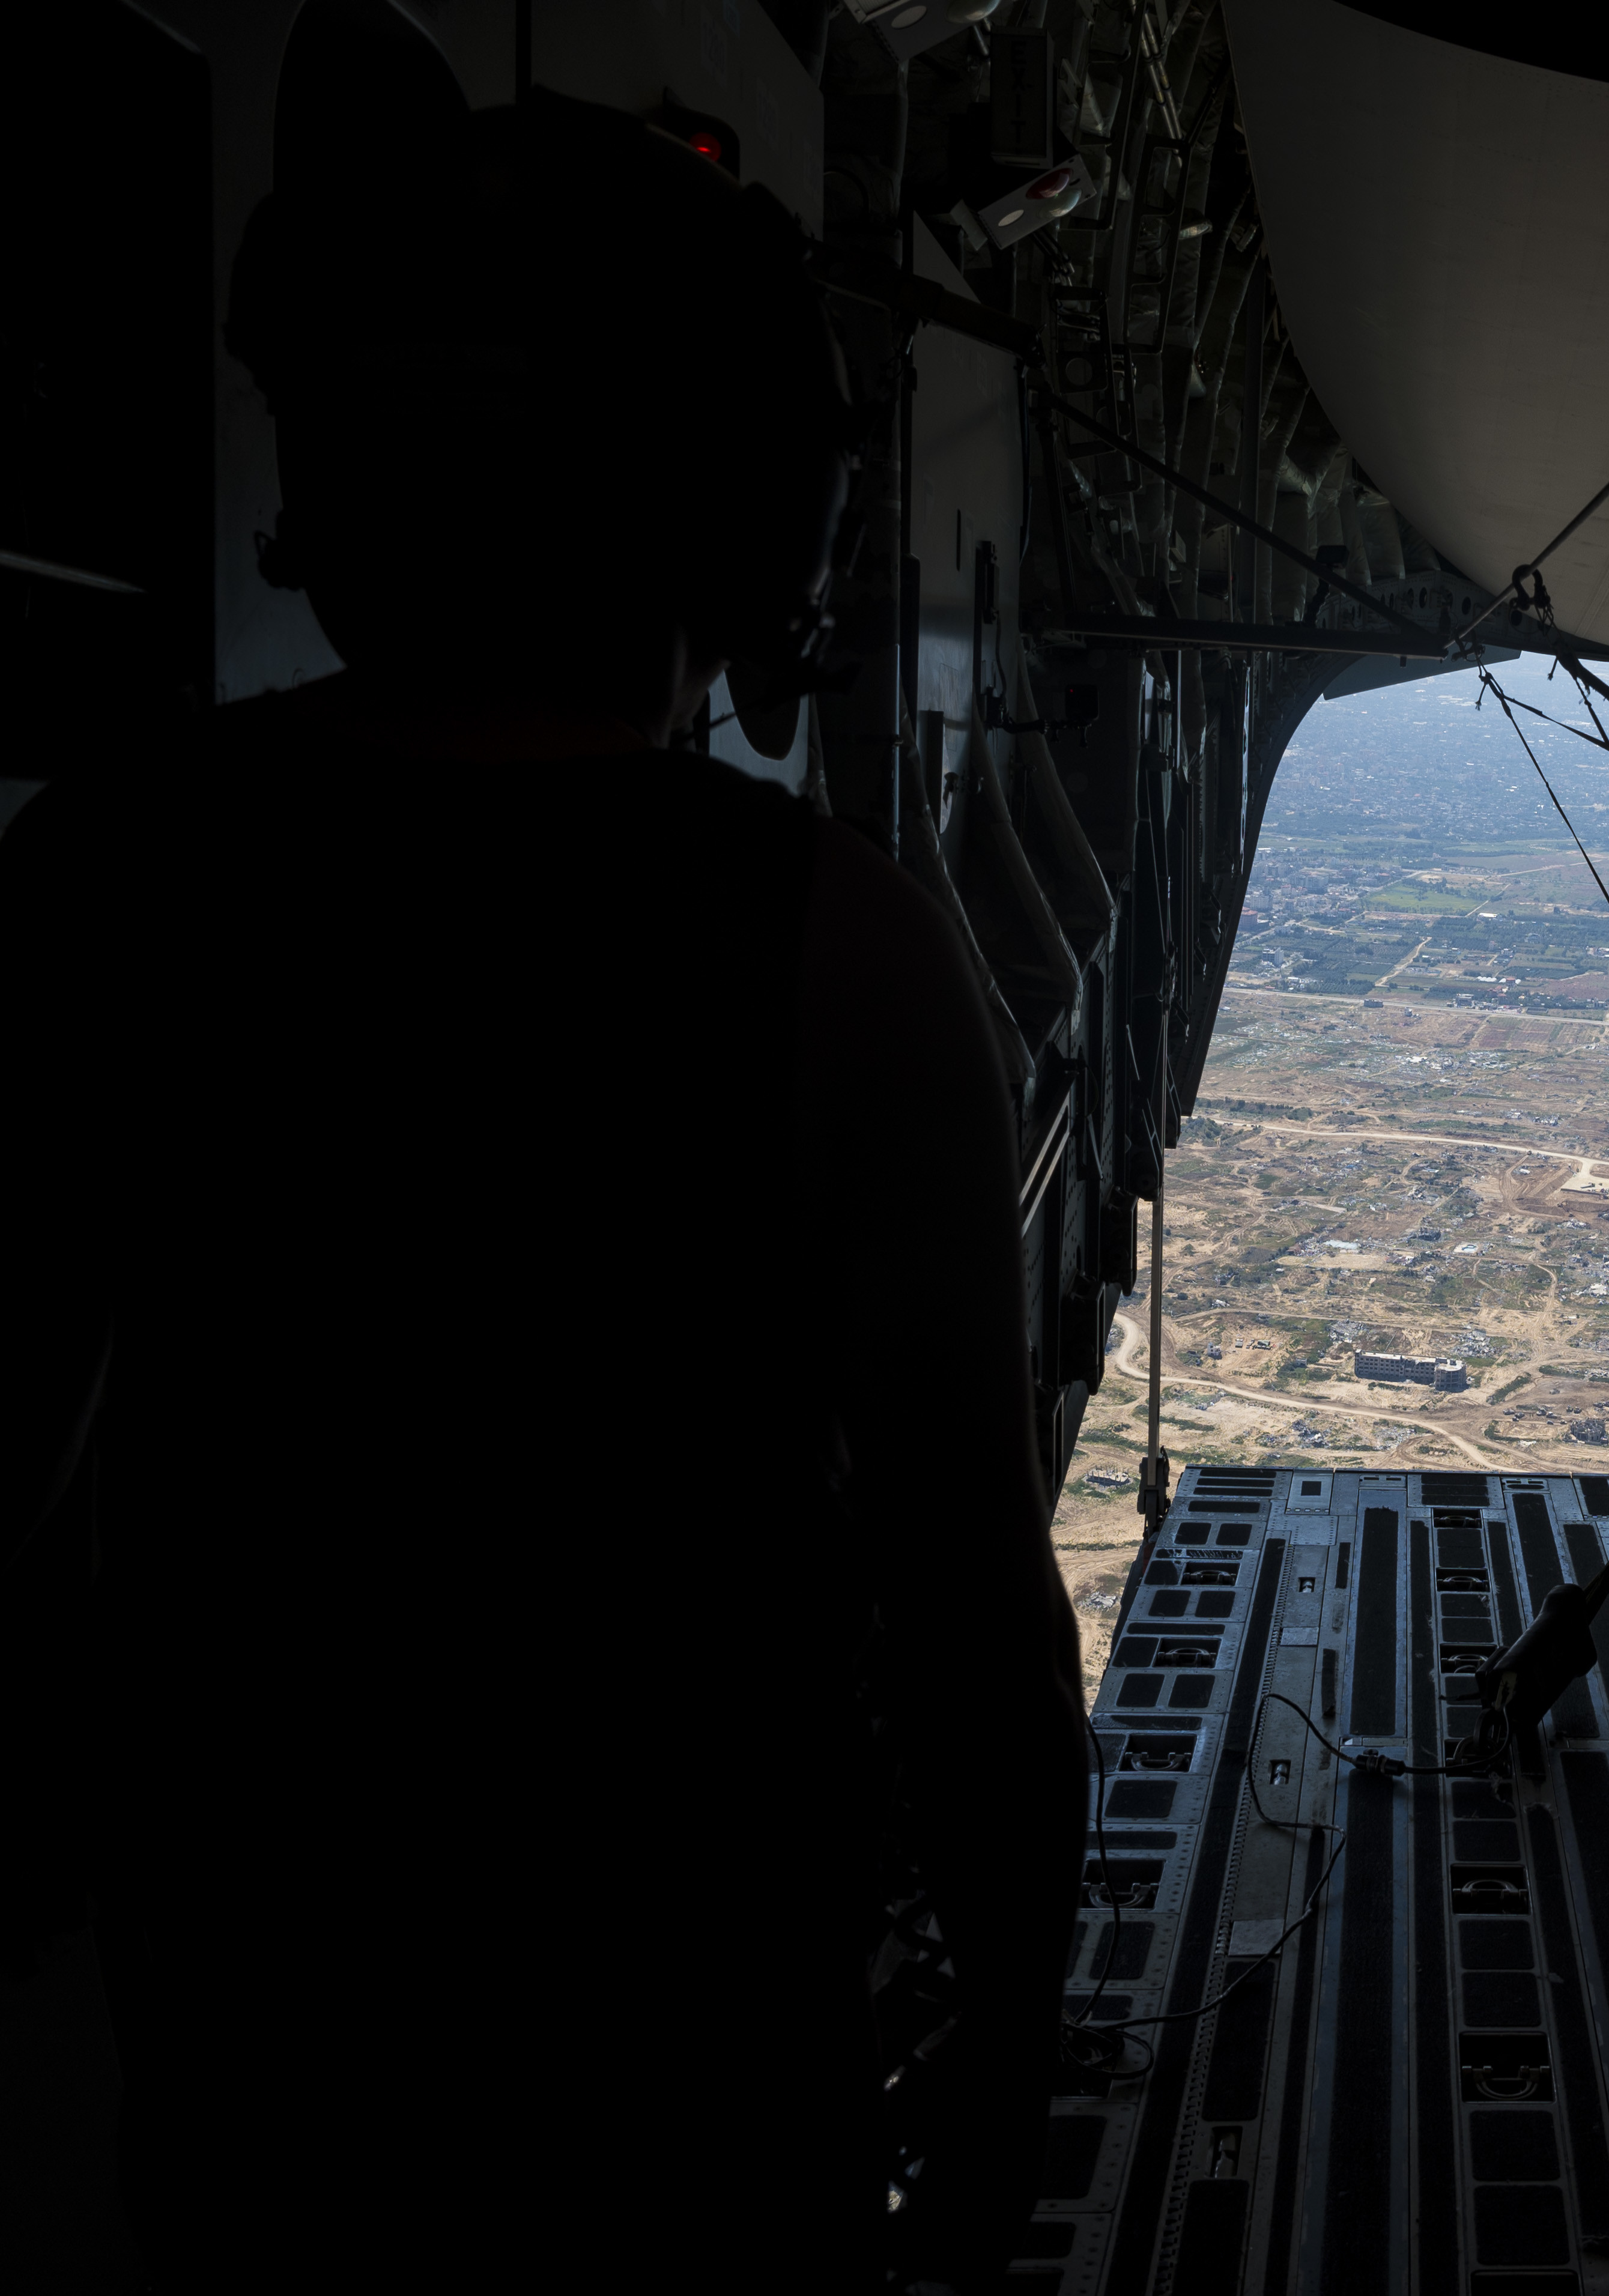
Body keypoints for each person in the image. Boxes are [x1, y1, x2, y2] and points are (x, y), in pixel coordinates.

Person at [0, 92, 1085, 2291]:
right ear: (745, 517)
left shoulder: (102, 880)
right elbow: (971, 1604)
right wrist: (1008, 2054)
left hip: (256, 2065)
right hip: (686, 2086)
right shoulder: (842, 952)